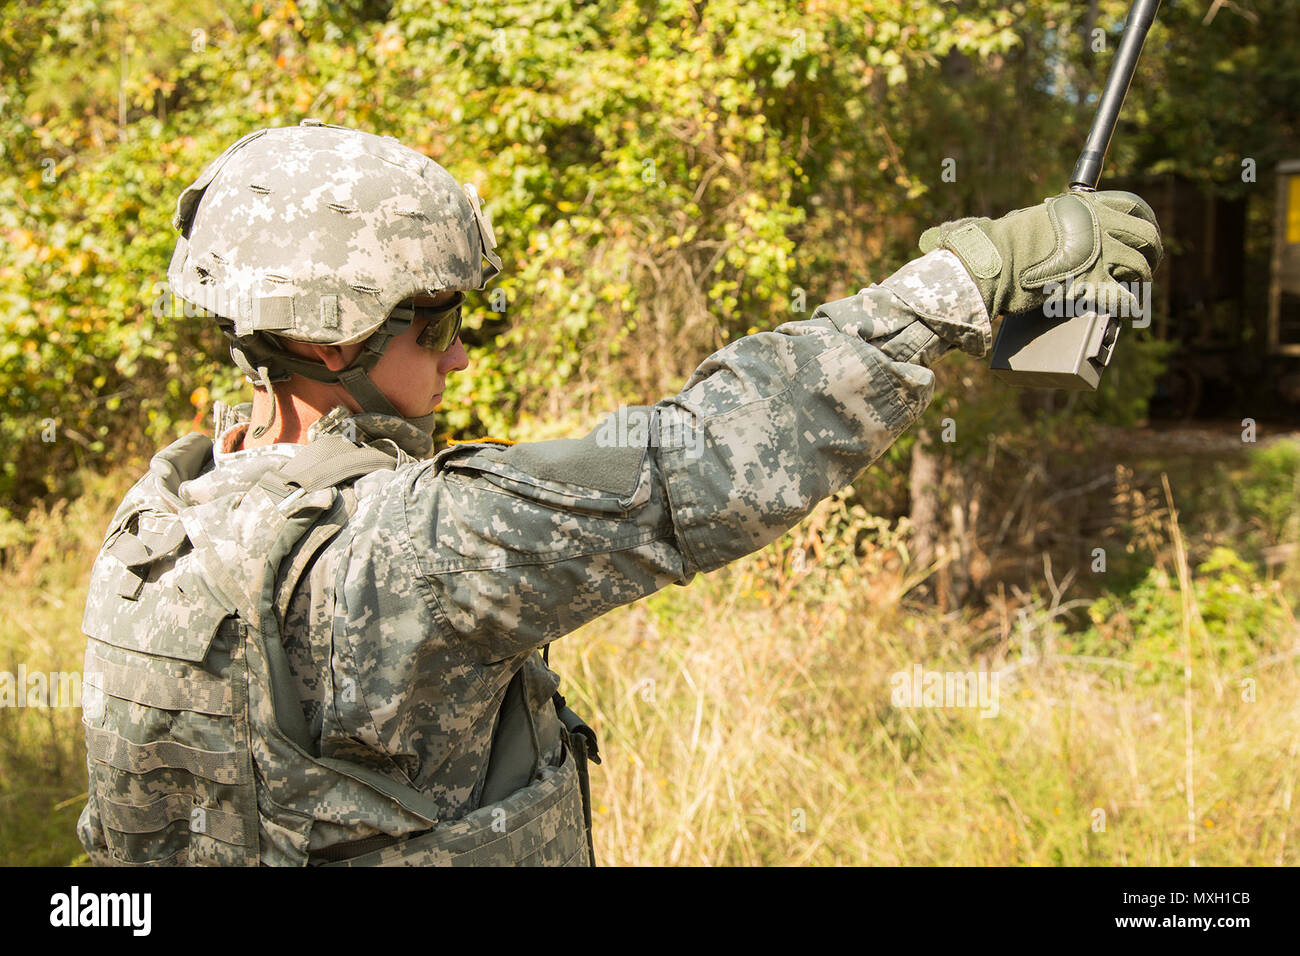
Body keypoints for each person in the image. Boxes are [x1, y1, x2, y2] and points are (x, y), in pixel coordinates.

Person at [76, 120, 1162, 867]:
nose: (457, 360)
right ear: (329, 336)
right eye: (438, 321)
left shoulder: (157, 526)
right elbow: (698, 464)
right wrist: (957, 287)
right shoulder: (399, 550)